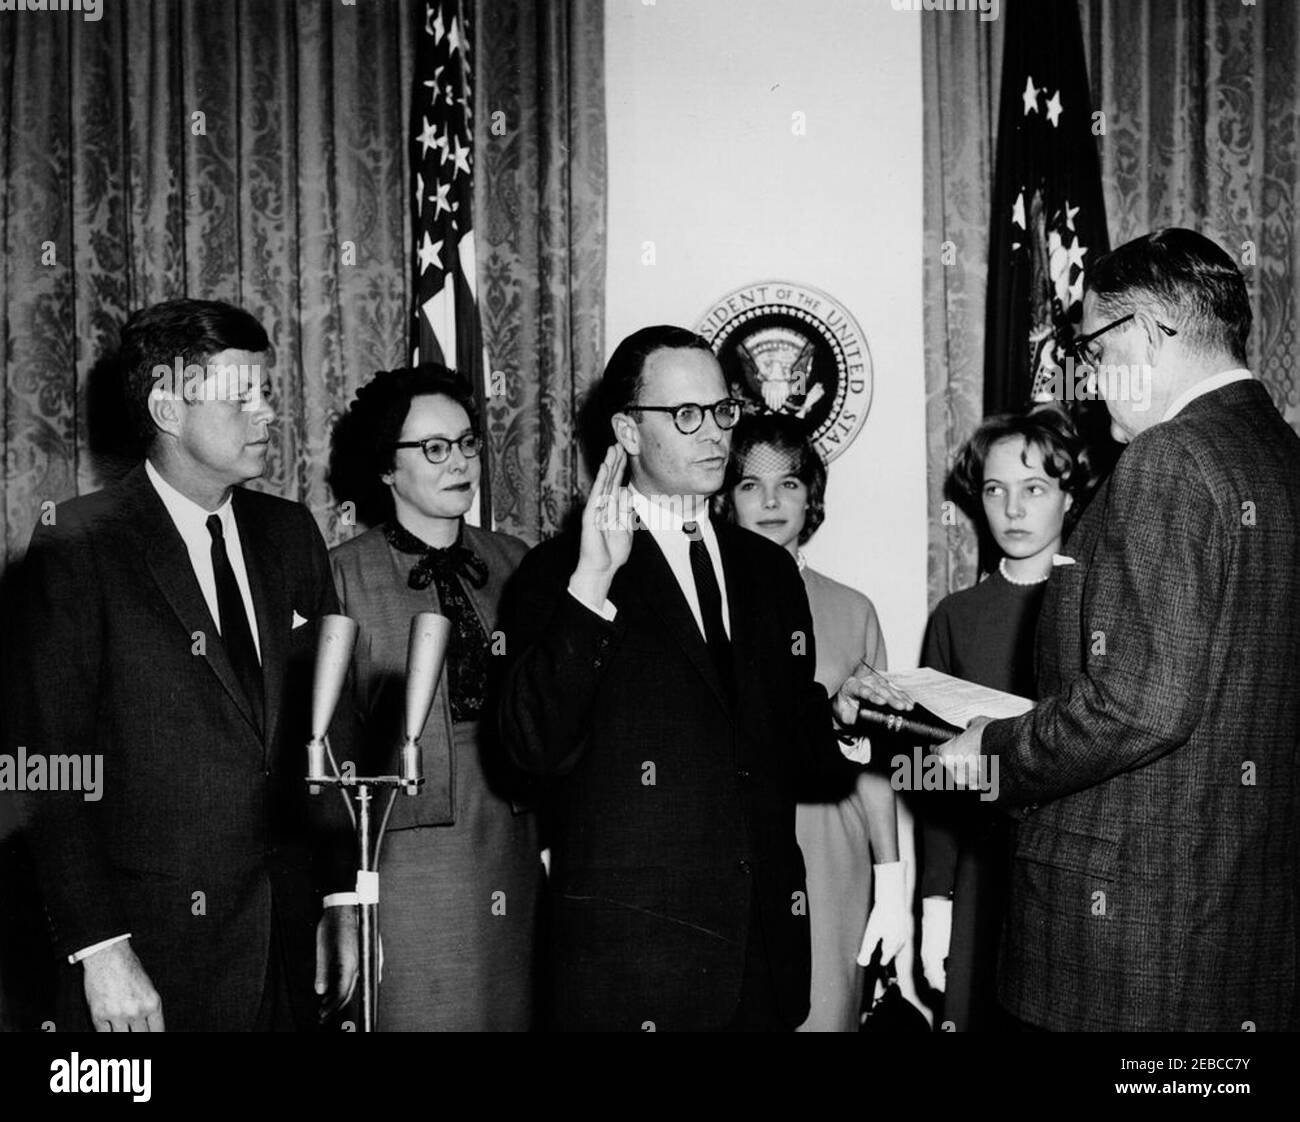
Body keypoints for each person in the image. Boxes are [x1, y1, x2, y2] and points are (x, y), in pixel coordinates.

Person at [497, 325, 910, 1031]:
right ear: (627, 430)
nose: (714, 432)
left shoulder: (769, 572)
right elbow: (528, 750)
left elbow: (793, 755)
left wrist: (838, 718)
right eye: (685, 415)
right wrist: (593, 585)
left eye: (723, 411)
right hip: (632, 968)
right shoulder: (559, 573)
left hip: (762, 961)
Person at [936, 228, 1300, 1030]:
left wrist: (990, 752)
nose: (1092, 383)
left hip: (1127, 953)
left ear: (1143, 332)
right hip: (1242, 930)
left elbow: (1142, 704)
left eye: (1095, 351)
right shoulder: (1280, 456)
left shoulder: (1170, 457)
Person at [16, 298, 357, 1031]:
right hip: (151, 965)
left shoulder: (290, 533)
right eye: (244, 394)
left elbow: (332, 732)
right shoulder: (77, 546)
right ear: (168, 407)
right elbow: (44, 766)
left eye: (267, 391)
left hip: (291, 955)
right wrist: (100, 950)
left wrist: (340, 899)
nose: (268, 412)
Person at [327, 365, 541, 1031]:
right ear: (386, 469)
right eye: (434, 448)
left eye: (468, 443)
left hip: (513, 842)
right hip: (402, 860)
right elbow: (327, 757)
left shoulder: (518, 562)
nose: (460, 463)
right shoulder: (340, 574)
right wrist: (340, 899)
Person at [715, 412, 910, 1032]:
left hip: (828, 849)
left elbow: (878, 760)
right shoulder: (698, 599)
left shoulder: (853, 611)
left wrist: (892, 879)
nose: (771, 501)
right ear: (724, 496)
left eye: (789, 483)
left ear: (811, 495)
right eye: (749, 484)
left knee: (823, 1013)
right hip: (725, 847)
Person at [917, 407, 1091, 1031]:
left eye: (1034, 489)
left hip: (1078, 878)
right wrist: (935, 900)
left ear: (1069, 496)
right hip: (985, 876)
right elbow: (932, 775)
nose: (1013, 510)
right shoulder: (957, 617)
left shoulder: (1098, 606)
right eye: (996, 491)